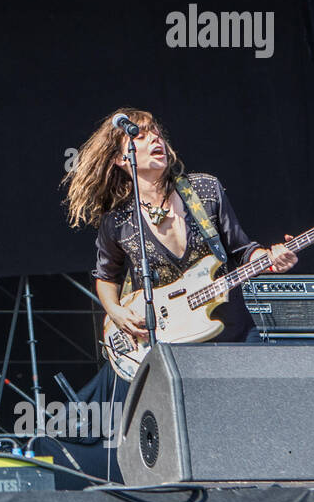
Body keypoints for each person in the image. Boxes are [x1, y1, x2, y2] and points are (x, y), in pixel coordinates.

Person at [65, 109, 298, 363]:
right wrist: (116, 312)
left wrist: (269, 256)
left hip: (231, 329)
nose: (155, 138)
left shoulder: (205, 190)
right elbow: (106, 276)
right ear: (121, 159)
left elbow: (242, 250)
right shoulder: (118, 221)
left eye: (156, 132)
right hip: (171, 343)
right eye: (141, 136)